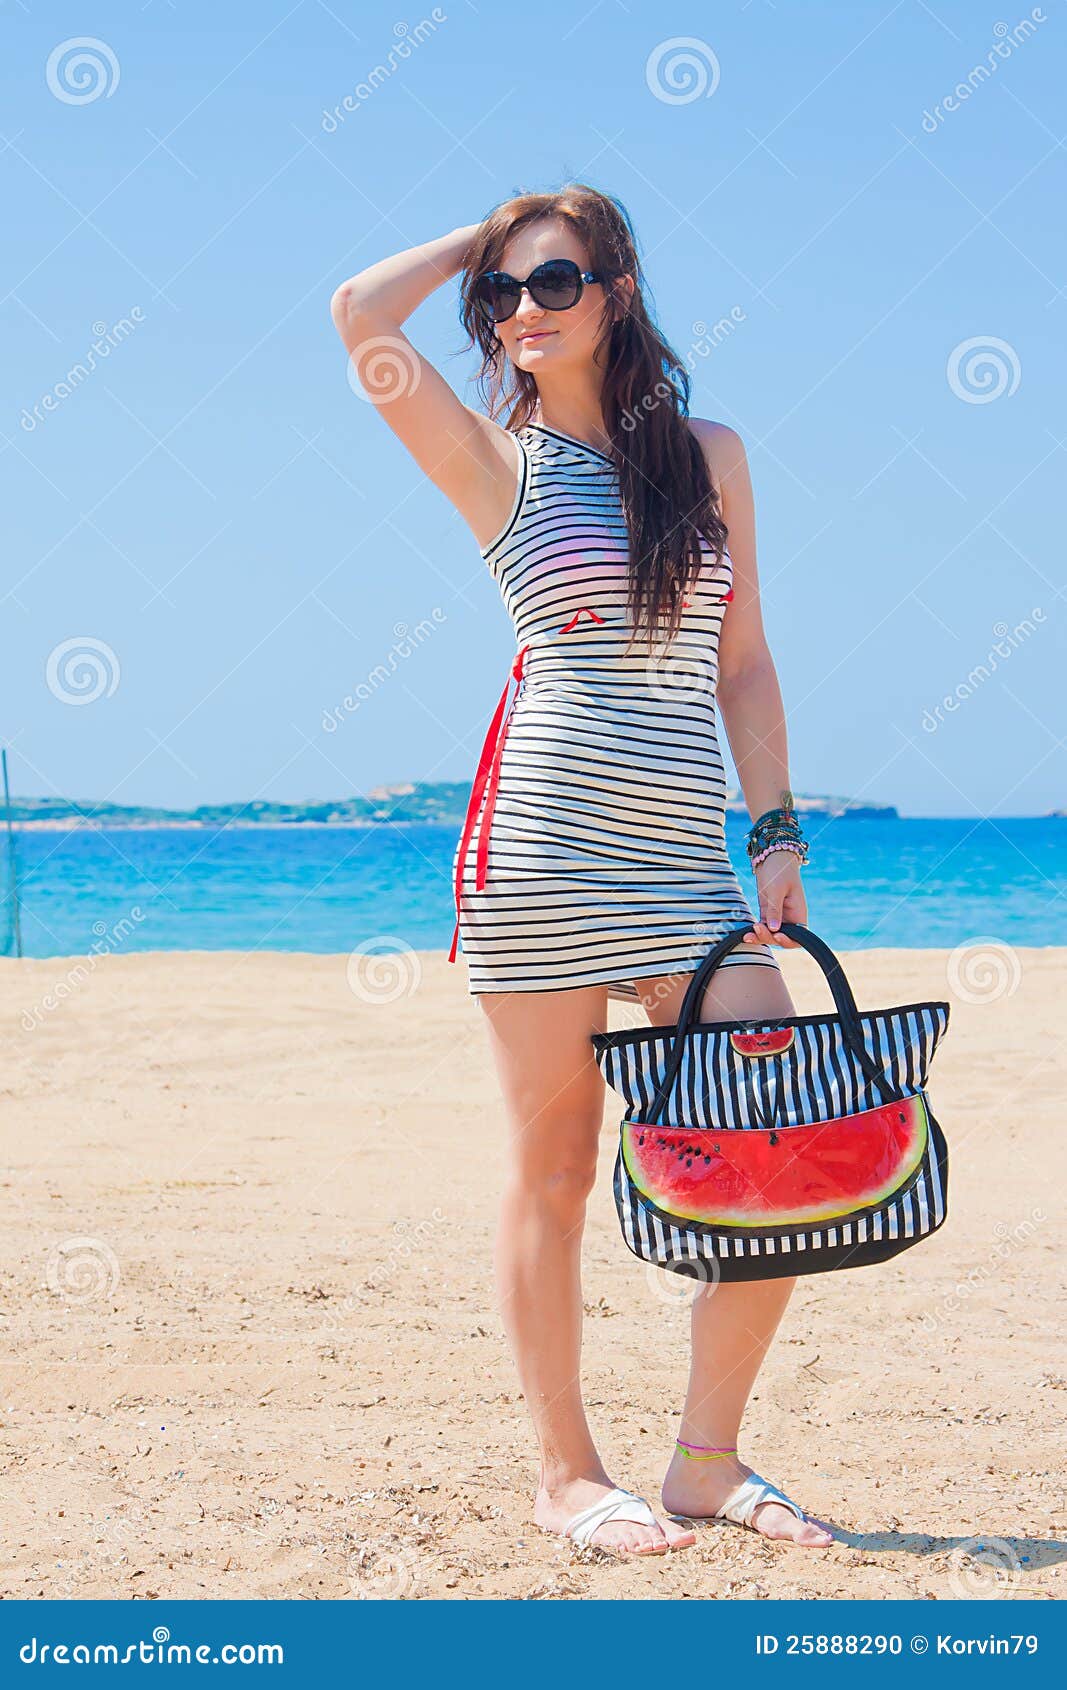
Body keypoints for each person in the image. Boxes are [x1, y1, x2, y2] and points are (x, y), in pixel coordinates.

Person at [330, 184, 834, 1557]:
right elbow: (357, 315)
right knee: (553, 1169)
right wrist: (479, 233)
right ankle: (565, 1472)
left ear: (617, 286)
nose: (522, 311)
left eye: (553, 280)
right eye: (502, 296)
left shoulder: (709, 458)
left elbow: (744, 658)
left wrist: (777, 831)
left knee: (769, 1149)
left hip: (687, 873)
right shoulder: (494, 459)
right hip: (538, 859)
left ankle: (706, 1458)